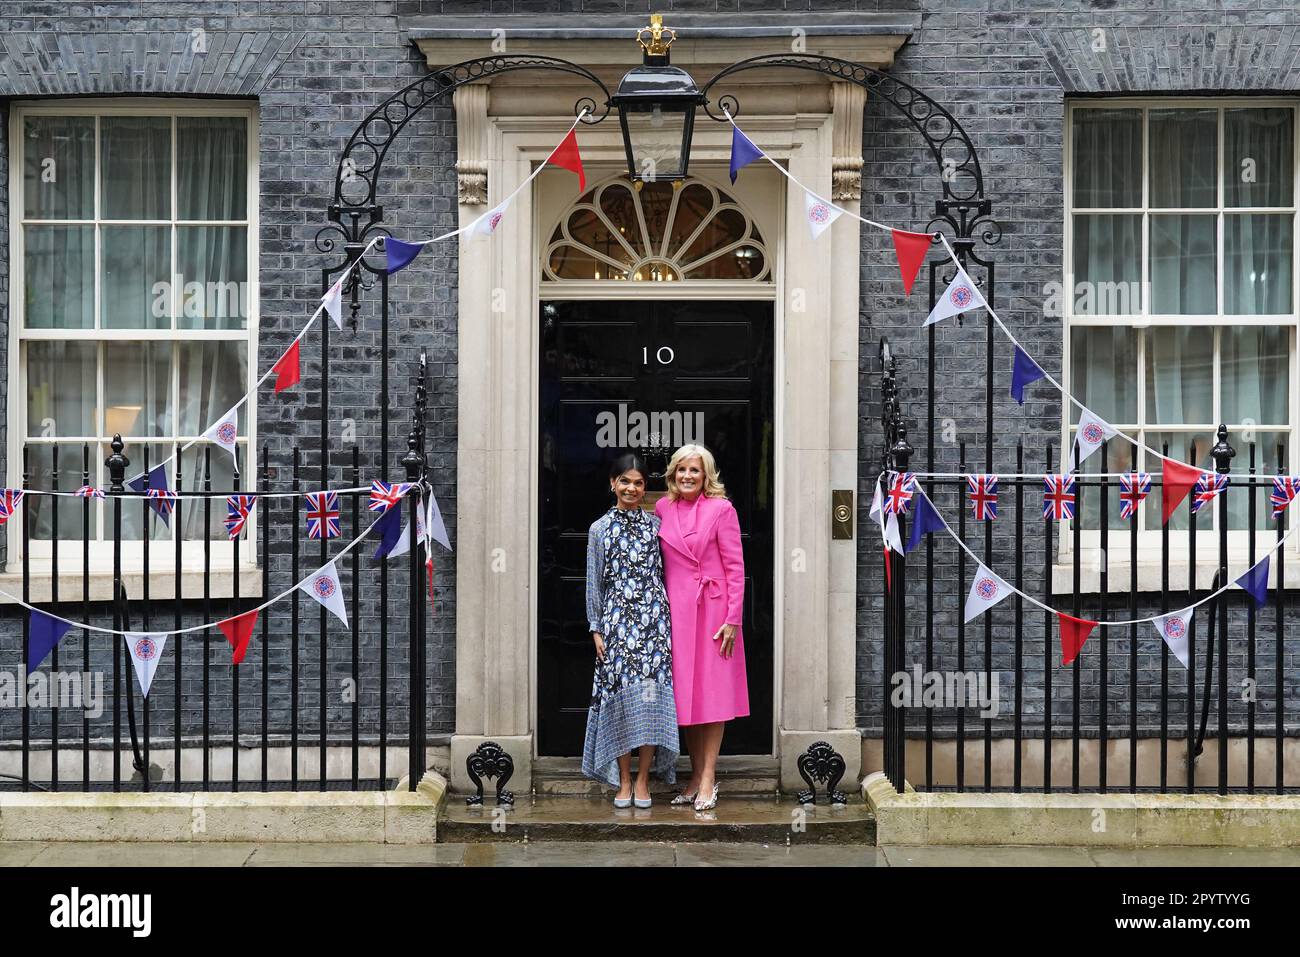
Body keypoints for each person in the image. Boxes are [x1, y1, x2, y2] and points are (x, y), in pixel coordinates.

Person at [581, 453, 678, 807]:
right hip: (616, 625)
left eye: (638, 483)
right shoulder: (599, 530)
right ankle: (623, 779)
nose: (632, 488)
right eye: (625, 481)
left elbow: (671, 574)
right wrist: (596, 629)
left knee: (650, 701)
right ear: (612, 483)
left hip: (654, 624)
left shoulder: (657, 526)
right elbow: (594, 582)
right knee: (622, 703)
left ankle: (642, 781)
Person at [655, 444, 748, 811]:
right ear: (672, 474)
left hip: (713, 615)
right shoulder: (663, 508)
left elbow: (735, 567)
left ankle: (709, 777)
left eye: (695, 470)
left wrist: (733, 618)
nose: (687, 476)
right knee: (687, 700)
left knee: (714, 697)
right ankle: (693, 777)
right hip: (676, 613)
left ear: (706, 475)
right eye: (681, 470)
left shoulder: (722, 509)